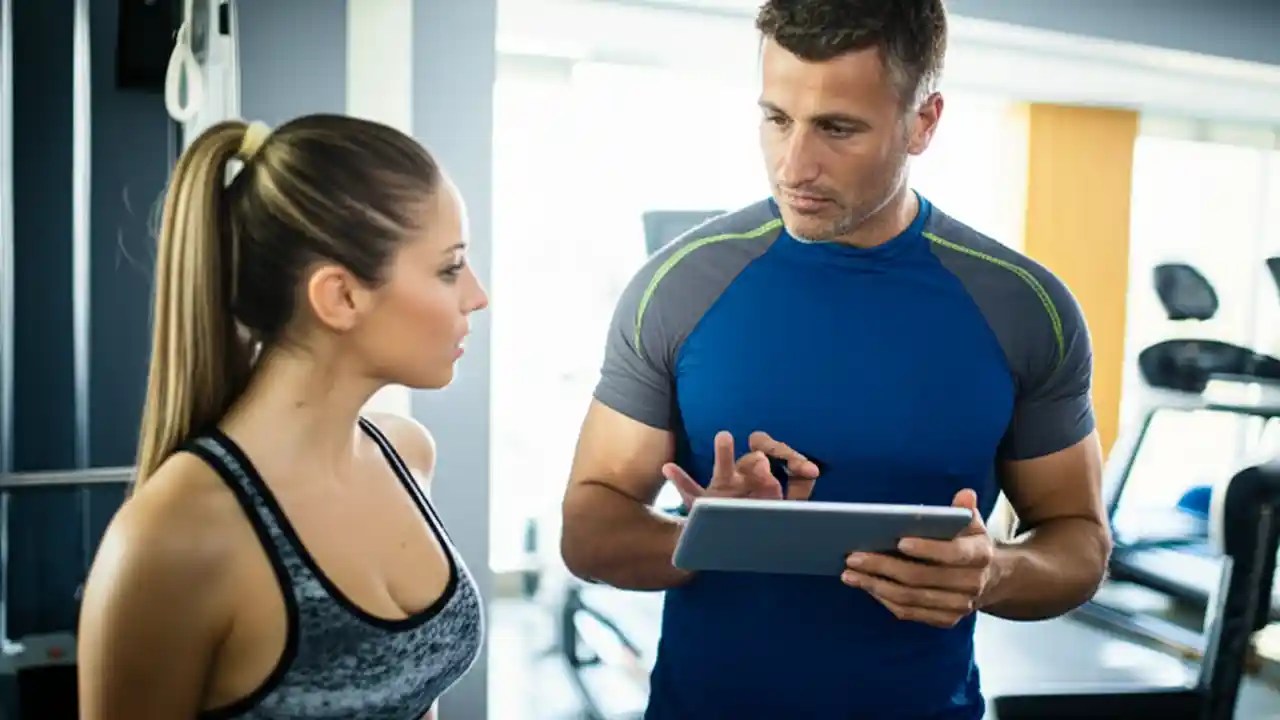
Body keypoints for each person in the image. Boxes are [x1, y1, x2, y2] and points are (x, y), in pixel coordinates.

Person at [560, 1, 1111, 718]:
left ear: (923, 122)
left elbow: (1080, 540)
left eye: (837, 128)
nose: (794, 166)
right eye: (777, 118)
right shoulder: (677, 288)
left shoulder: (1025, 308)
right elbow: (589, 531)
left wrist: (995, 574)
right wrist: (709, 537)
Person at [76, 115, 489, 719]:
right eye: (450, 268)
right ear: (340, 296)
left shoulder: (407, 453)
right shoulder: (171, 538)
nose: (477, 295)